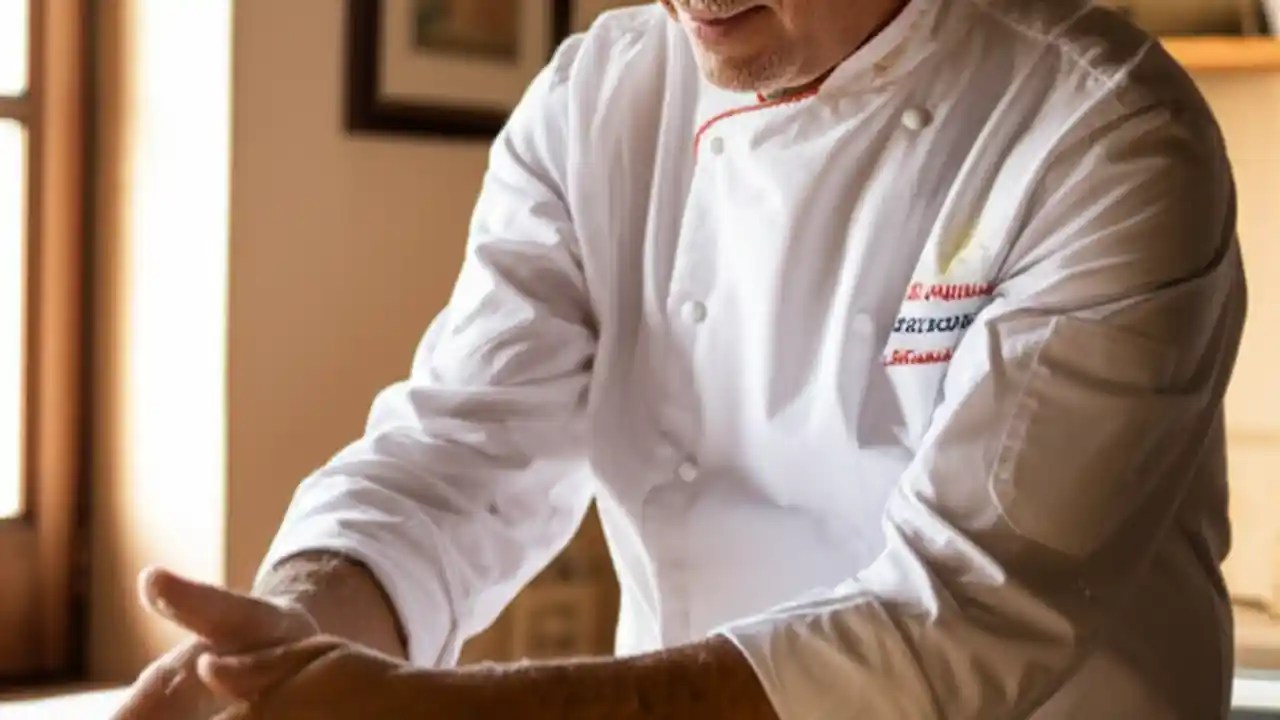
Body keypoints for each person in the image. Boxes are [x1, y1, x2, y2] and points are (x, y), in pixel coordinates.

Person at [111, 0, 1247, 717]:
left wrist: (446, 714)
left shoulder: (1100, 134)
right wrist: (281, 644)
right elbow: (453, 458)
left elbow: (958, 618)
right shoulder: (597, 100)